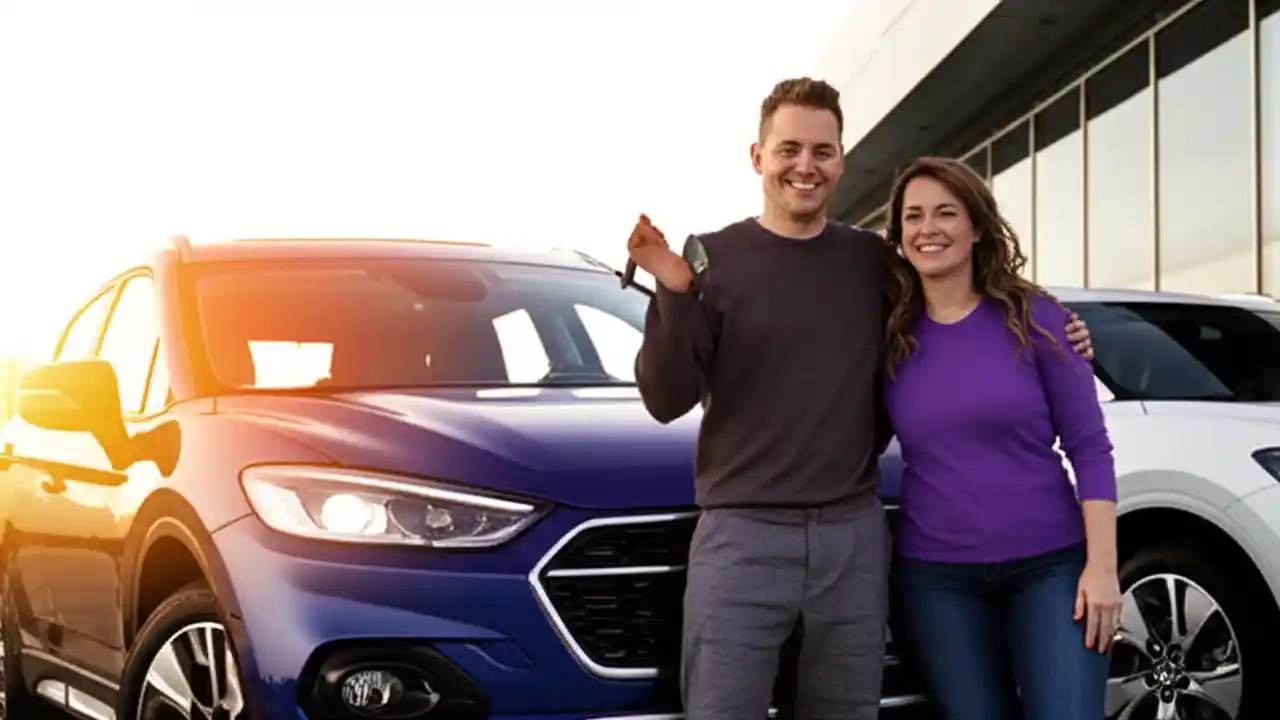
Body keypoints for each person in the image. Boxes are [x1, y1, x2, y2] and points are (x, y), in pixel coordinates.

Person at [625, 78, 1094, 719]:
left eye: (823, 151)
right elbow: (666, 399)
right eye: (789, 149)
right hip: (741, 536)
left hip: (853, 536)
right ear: (758, 156)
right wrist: (675, 294)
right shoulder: (714, 259)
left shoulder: (873, 261)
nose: (805, 166)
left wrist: (1056, 327)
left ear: (841, 159)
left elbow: (956, 300)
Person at [881, 156, 1121, 720]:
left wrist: (1103, 568)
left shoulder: (1036, 318)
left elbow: (1090, 448)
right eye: (913, 216)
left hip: (1051, 568)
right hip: (937, 581)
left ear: (978, 226)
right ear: (899, 236)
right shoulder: (888, 334)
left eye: (946, 212)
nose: (928, 228)